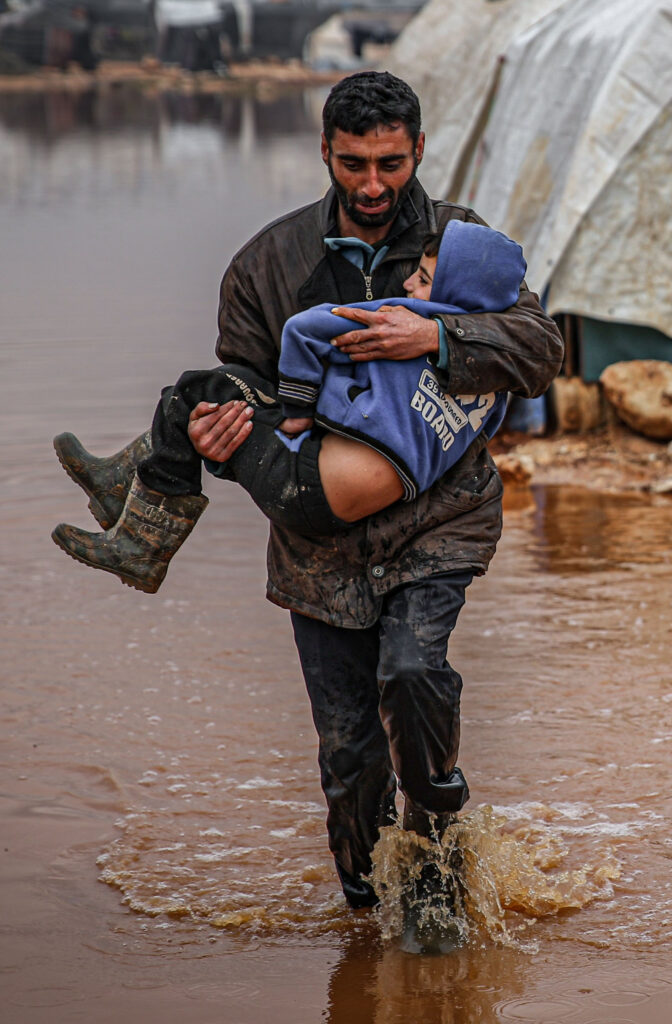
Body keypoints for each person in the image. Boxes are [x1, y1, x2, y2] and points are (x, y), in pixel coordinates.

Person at [54, 72, 564, 922]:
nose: (373, 185)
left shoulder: (466, 244)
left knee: (413, 672)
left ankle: (435, 873)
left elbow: (539, 348)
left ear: (419, 151)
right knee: (349, 758)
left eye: (391, 164)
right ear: (324, 152)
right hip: (320, 540)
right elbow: (250, 402)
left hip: (438, 519)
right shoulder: (266, 263)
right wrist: (217, 444)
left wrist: (434, 330)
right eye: (355, 163)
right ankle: (367, 914)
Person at [51, 219, 523, 594]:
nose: (408, 283)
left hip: (307, 487)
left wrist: (298, 407)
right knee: (241, 386)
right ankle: (122, 486)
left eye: (422, 279)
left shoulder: (402, 319)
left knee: (194, 392)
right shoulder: (486, 380)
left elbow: (302, 330)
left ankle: (140, 543)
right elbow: (481, 429)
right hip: (360, 497)